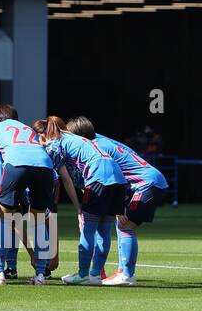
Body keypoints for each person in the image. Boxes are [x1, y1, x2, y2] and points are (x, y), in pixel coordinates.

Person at [65, 117, 168, 287]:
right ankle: (121, 272)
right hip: (149, 182)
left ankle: (126, 275)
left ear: (80, 136)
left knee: (124, 226)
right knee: (122, 225)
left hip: (144, 184)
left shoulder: (96, 146)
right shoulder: (101, 140)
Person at [38, 115, 124, 286]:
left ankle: (84, 274)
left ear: (43, 136)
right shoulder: (74, 138)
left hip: (98, 178)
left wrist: (78, 209)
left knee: (88, 228)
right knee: (104, 230)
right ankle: (95, 276)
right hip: (118, 179)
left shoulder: (54, 145)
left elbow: (67, 180)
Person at [0, 104, 58, 285]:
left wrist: (1, 192)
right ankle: (40, 274)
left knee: (3, 216)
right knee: (39, 219)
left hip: (16, 166)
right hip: (45, 167)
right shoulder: (27, 129)